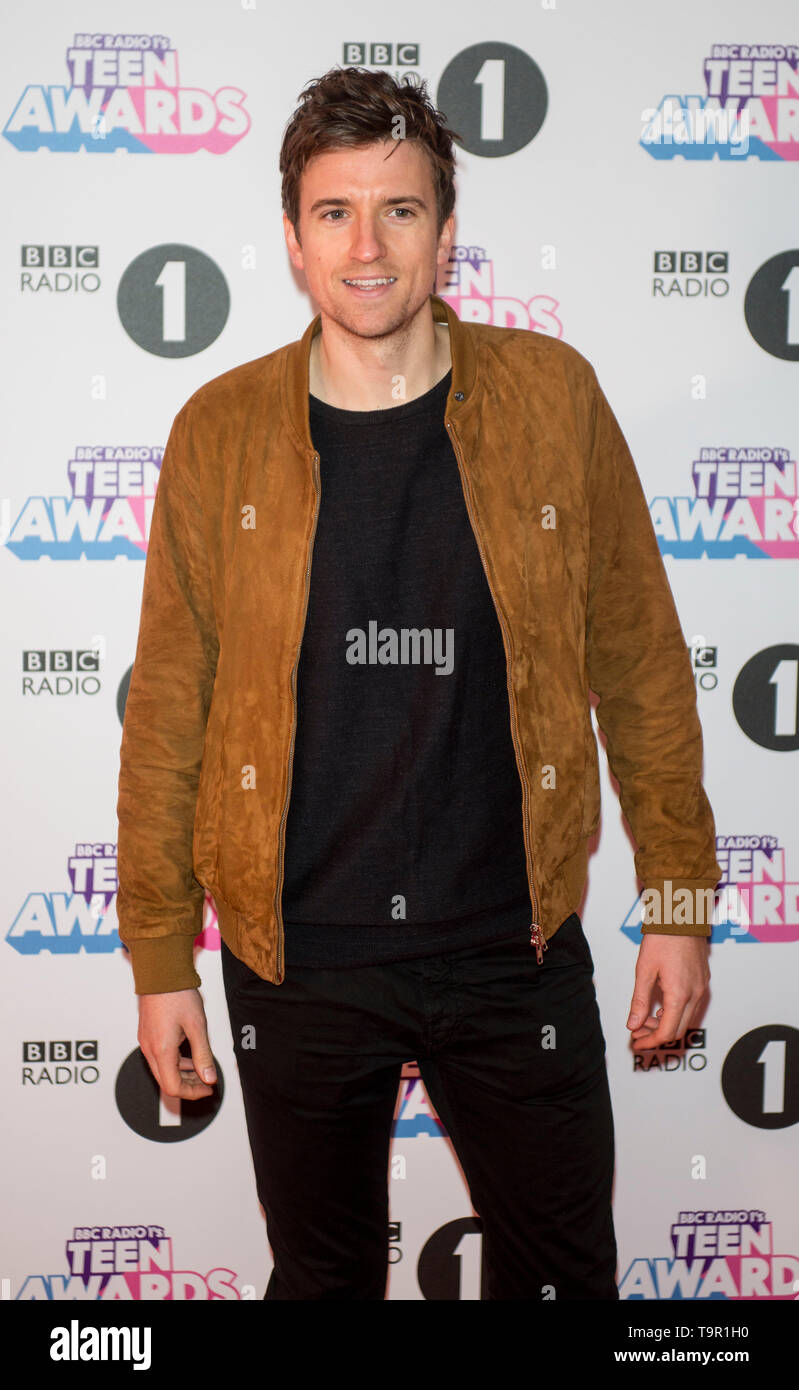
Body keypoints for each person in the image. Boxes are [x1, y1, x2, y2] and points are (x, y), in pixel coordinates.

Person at [116, 66, 721, 1301]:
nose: (369, 244)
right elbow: (171, 707)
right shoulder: (218, 430)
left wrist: (677, 895)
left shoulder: (552, 397)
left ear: (447, 231)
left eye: (400, 209)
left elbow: (641, 659)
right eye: (335, 210)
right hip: (297, 956)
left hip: (513, 940)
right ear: (291, 239)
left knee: (562, 1280)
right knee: (323, 1280)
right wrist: (159, 957)